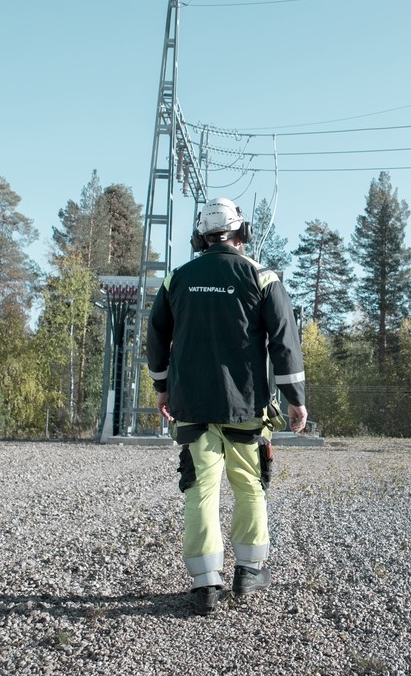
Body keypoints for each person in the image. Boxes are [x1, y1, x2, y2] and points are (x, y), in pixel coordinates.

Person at [146, 197, 308, 616]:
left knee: (200, 489)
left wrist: (162, 389)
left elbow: (157, 338)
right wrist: (296, 400)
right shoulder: (261, 277)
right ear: (242, 233)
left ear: (200, 236)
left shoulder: (177, 279)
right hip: (246, 406)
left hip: (193, 405)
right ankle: (249, 572)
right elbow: (285, 341)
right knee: (248, 484)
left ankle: (205, 585)